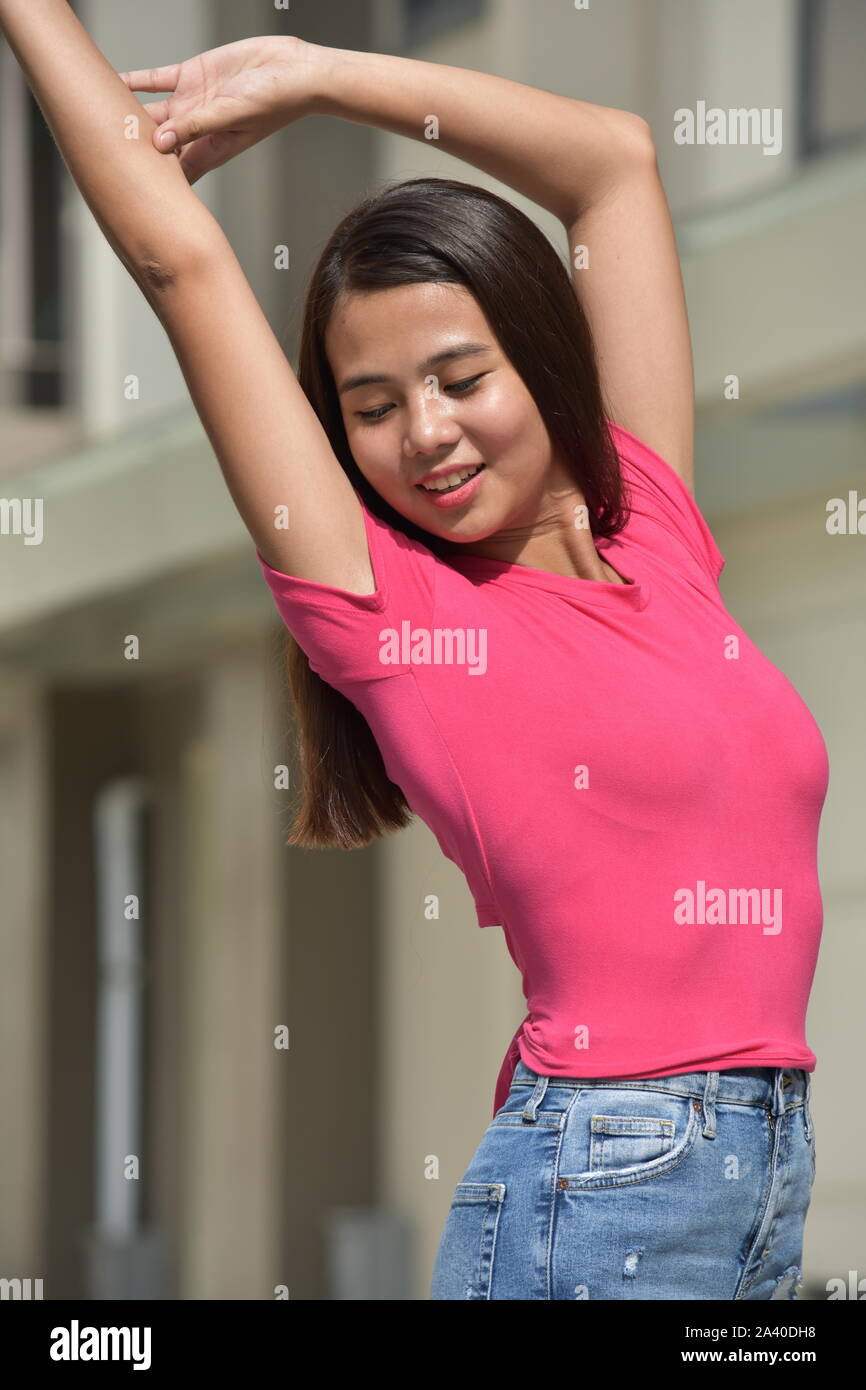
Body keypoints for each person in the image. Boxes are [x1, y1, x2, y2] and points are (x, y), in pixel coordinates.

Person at [2, 4, 825, 1300]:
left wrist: (316, 76)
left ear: (541, 358)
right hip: (607, 1178)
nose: (423, 434)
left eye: (459, 377)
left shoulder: (654, 533)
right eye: (370, 407)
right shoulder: (392, 615)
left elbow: (609, 161)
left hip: (754, 1169)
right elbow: (180, 263)